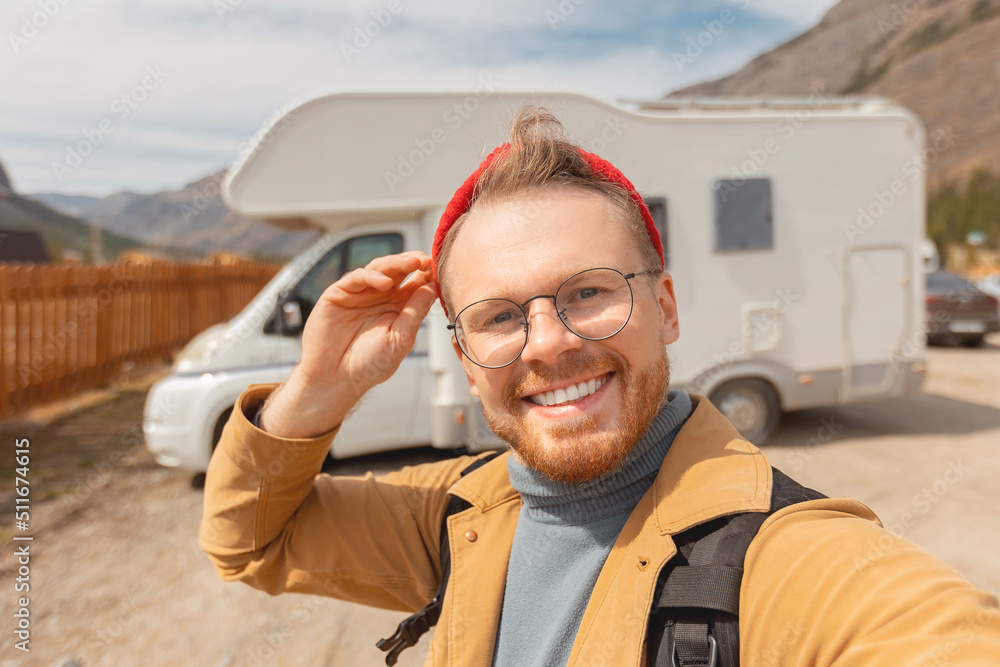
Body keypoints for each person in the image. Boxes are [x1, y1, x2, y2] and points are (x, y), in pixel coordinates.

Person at [199, 107, 1000, 666]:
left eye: (587, 291)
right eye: (500, 315)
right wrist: (318, 388)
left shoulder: (782, 554)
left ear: (666, 307)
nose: (549, 341)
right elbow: (250, 540)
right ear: (466, 355)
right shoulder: (456, 515)